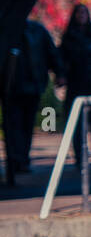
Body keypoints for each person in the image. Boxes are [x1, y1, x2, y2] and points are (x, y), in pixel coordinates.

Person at [2, 17, 65, 174]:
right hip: (12, 86)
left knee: (26, 123)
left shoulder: (38, 30)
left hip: (33, 84)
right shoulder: (7, 30)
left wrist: (59, 72)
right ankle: (16, 159)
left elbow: (51, 53)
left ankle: (22, 158)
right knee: (14, 123)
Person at [59, 3, 91, 169]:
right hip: (76, 86)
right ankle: (80, 158)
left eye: (84, 13)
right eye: (78, 13)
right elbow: (61, 60)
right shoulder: (69, 38)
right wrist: (62, 76)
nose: (81, 16)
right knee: (77, 124)